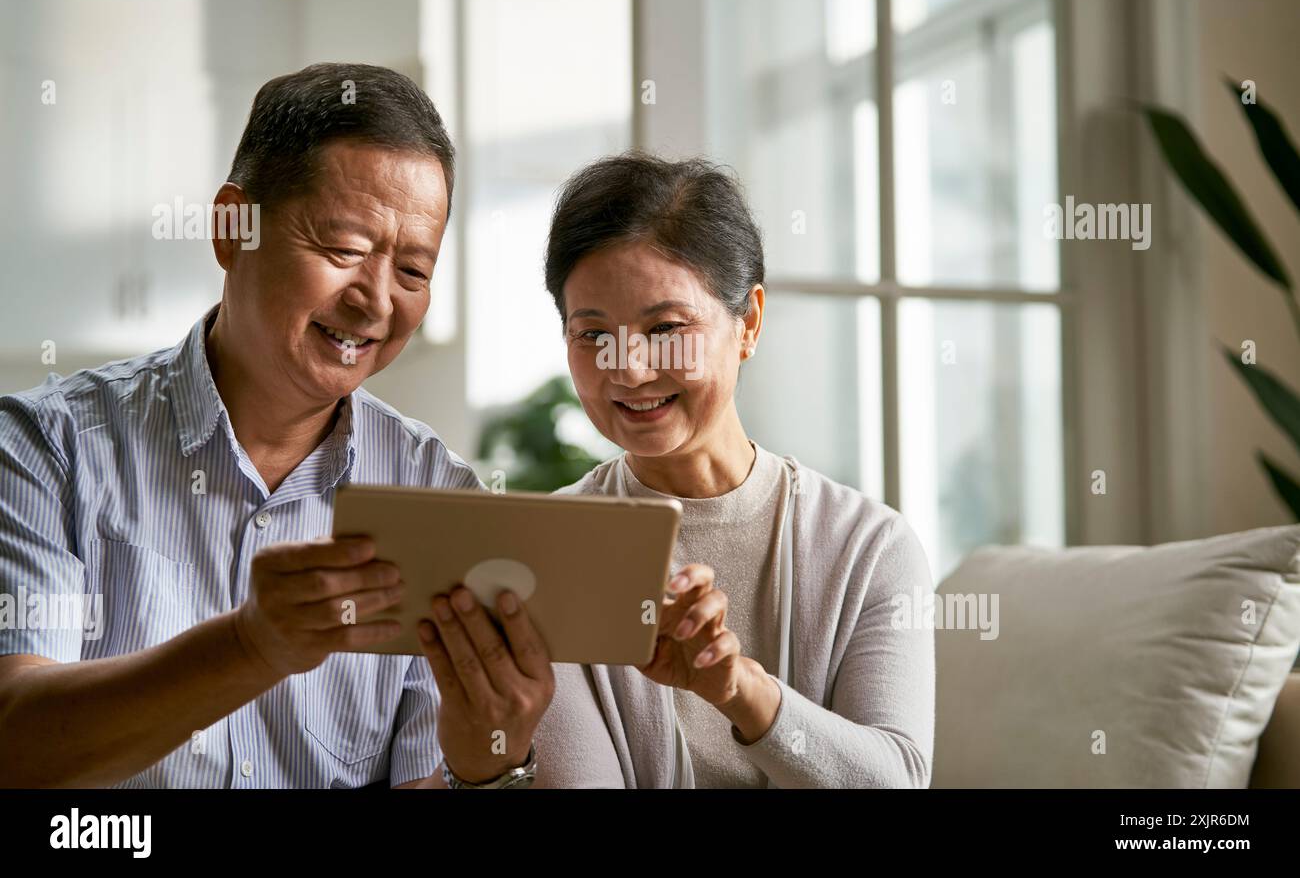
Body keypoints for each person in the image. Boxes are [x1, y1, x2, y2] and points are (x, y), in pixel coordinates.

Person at [0, 63, 554, 789]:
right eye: (344, 249)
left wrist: (490, 762)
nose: (375, 301)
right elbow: (16, 745)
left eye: (412, 272)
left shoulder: (436, 493)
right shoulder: (47, 448)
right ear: (232, 228)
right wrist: (250, 646)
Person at [536, 151, 935, 788]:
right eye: (592, 334)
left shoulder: (867, 547)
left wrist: (738, 688)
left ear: (747, 322)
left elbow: (895, 781)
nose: (629, 370)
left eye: (665, 327)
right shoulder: (550, 549)